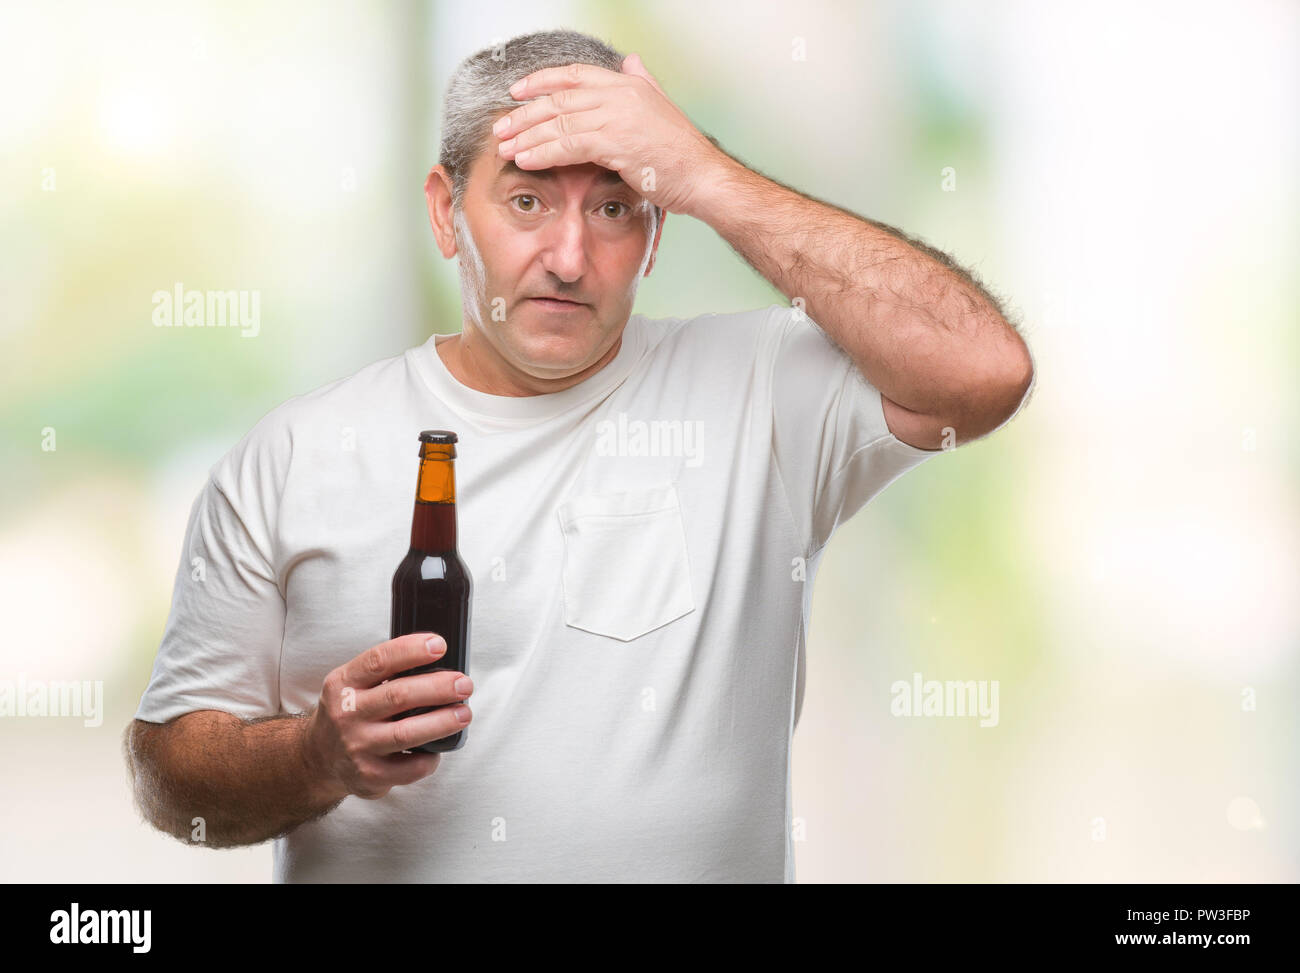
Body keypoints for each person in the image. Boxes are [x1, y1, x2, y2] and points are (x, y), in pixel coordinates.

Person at [125, 27, 1035, 883]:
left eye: (614, 208)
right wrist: (315, 754)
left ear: (656, 234)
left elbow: (985, 371)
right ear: (447, 214)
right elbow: (171, 774)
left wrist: (706, 173)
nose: (569, 255)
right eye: (527, 200)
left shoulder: (761, 391)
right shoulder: (292, 456)